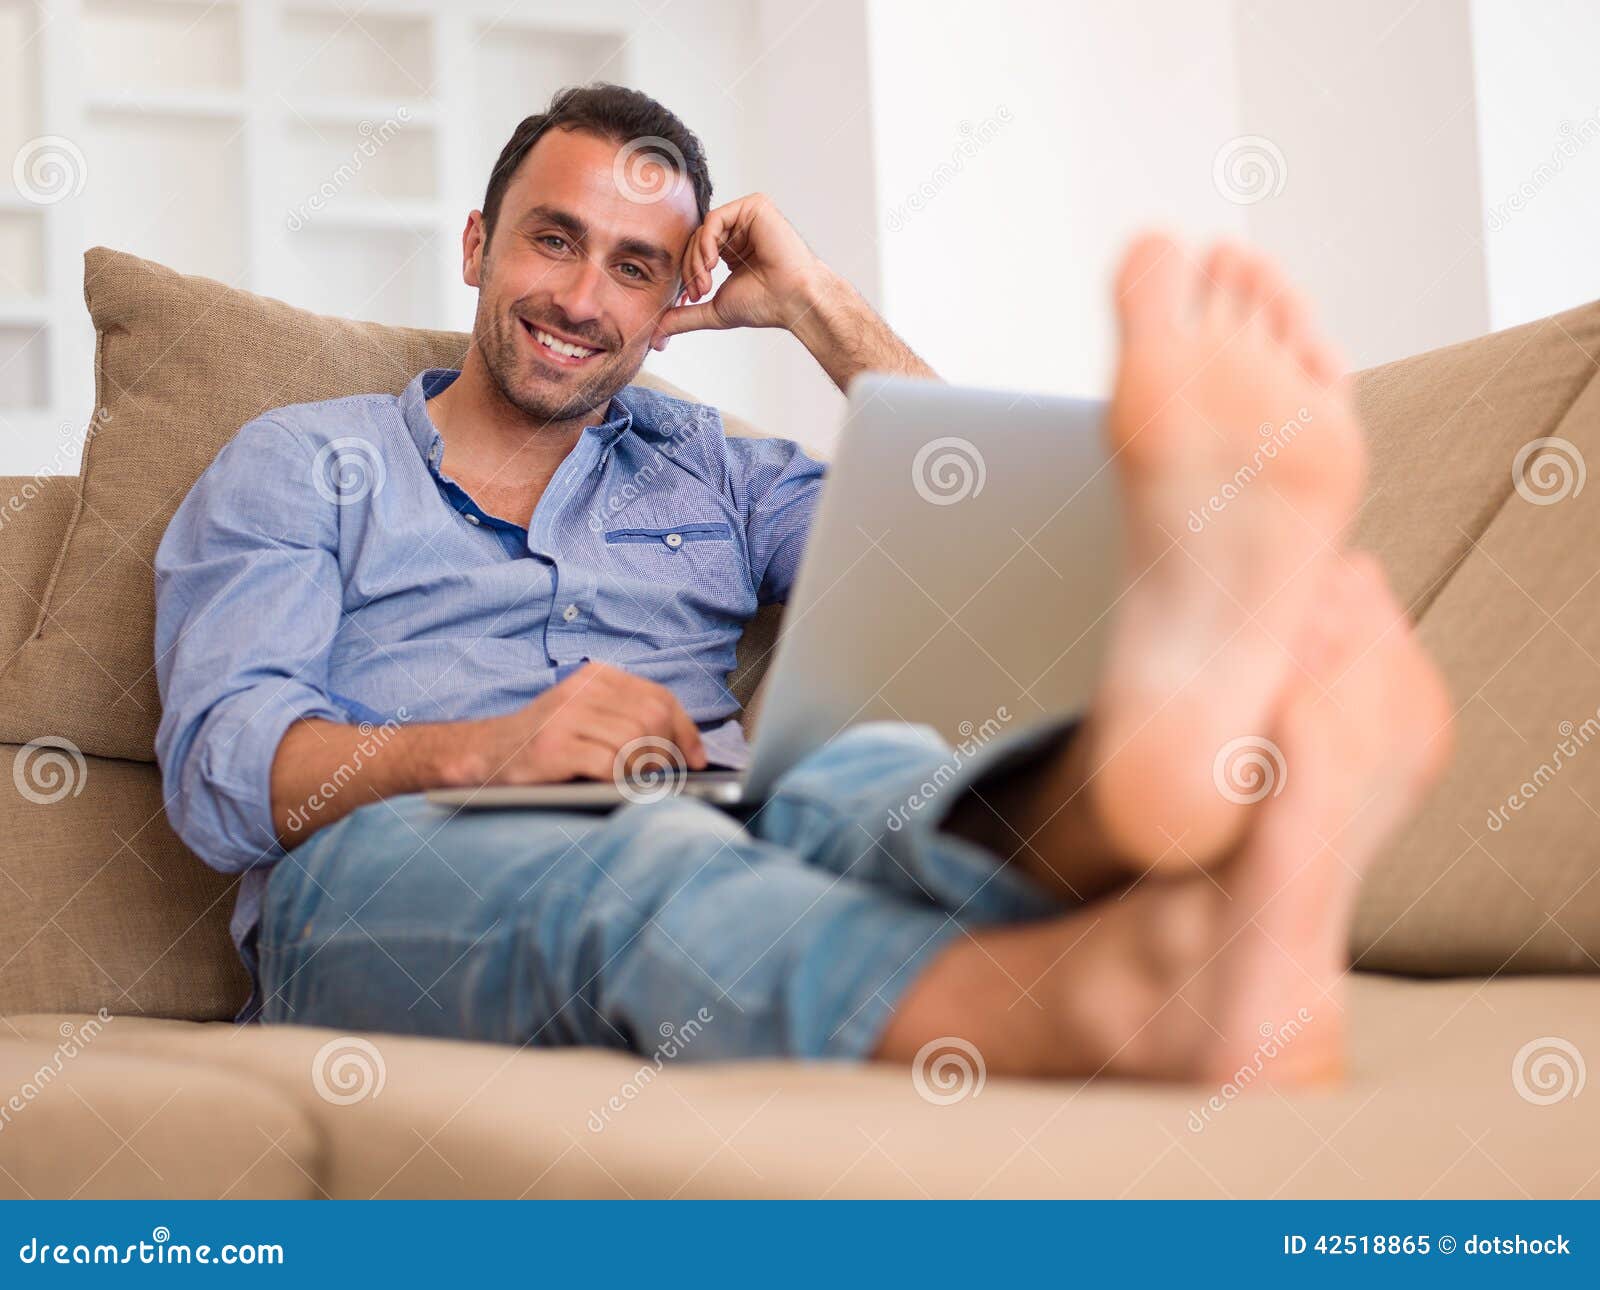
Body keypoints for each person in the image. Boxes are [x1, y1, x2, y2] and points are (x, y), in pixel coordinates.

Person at [154, 84, 1451, 1083]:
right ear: (479, 243)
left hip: (723, 806)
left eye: (635, 267)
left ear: (678, 304)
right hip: (380, 879)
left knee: (860, 777)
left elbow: (982, 547)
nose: (582, 297)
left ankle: (1130, 812)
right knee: (647, 861)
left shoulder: (708, 465)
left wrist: (819, 305)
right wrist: (482, 749)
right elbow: (223, 765)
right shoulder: (307, 461)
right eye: (554, 241)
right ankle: (1103, 995)